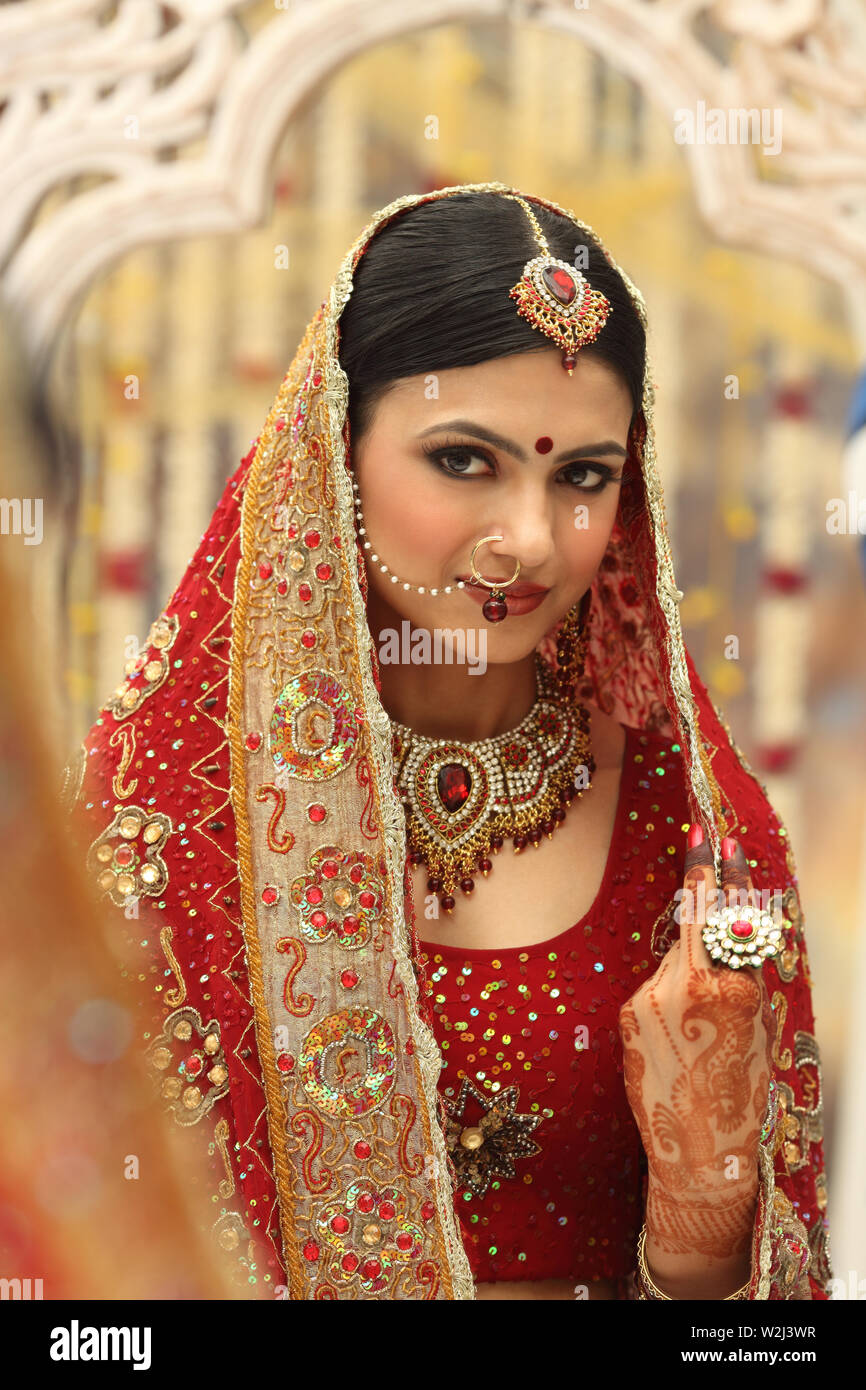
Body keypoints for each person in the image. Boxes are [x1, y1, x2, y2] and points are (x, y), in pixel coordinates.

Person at [65, 183, 832, 1301]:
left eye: (580, 476)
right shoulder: (156, 812)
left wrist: (702, 1217)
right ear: (334, 448)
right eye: (464, 460)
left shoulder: (698, 838)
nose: (526, 540)